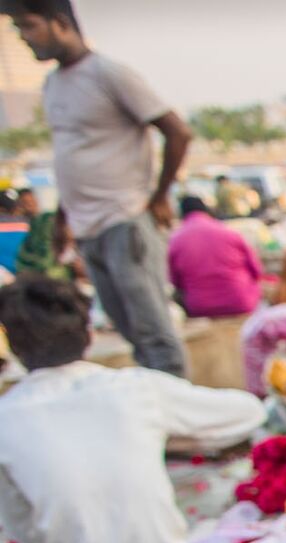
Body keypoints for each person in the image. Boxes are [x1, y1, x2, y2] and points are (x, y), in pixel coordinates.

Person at [0, 276, 261, 543]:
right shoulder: (135, 388)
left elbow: (28, 533)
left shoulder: (7, 418)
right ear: (89, 334)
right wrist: (168, 434)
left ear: (15, 348)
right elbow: (247, 413)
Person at [10, 0, 191, 375]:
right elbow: (71, 157)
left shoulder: (109, 74)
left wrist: (157, 198)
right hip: (88, 226)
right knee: (128, 329)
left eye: (28, 27)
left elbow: (178, 132)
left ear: (60, 23)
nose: (25, 39)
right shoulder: (53, 84)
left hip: (124, 217)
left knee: (154, 331)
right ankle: (156, 408)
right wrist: (63, 218)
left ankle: (178, 412)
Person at [165, 196, 262, 319]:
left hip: (200, 308)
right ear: (206, 211)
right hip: (241, 303)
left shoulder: (176, 240)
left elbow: (175, 281)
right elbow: (256, 271)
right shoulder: (229, 232)